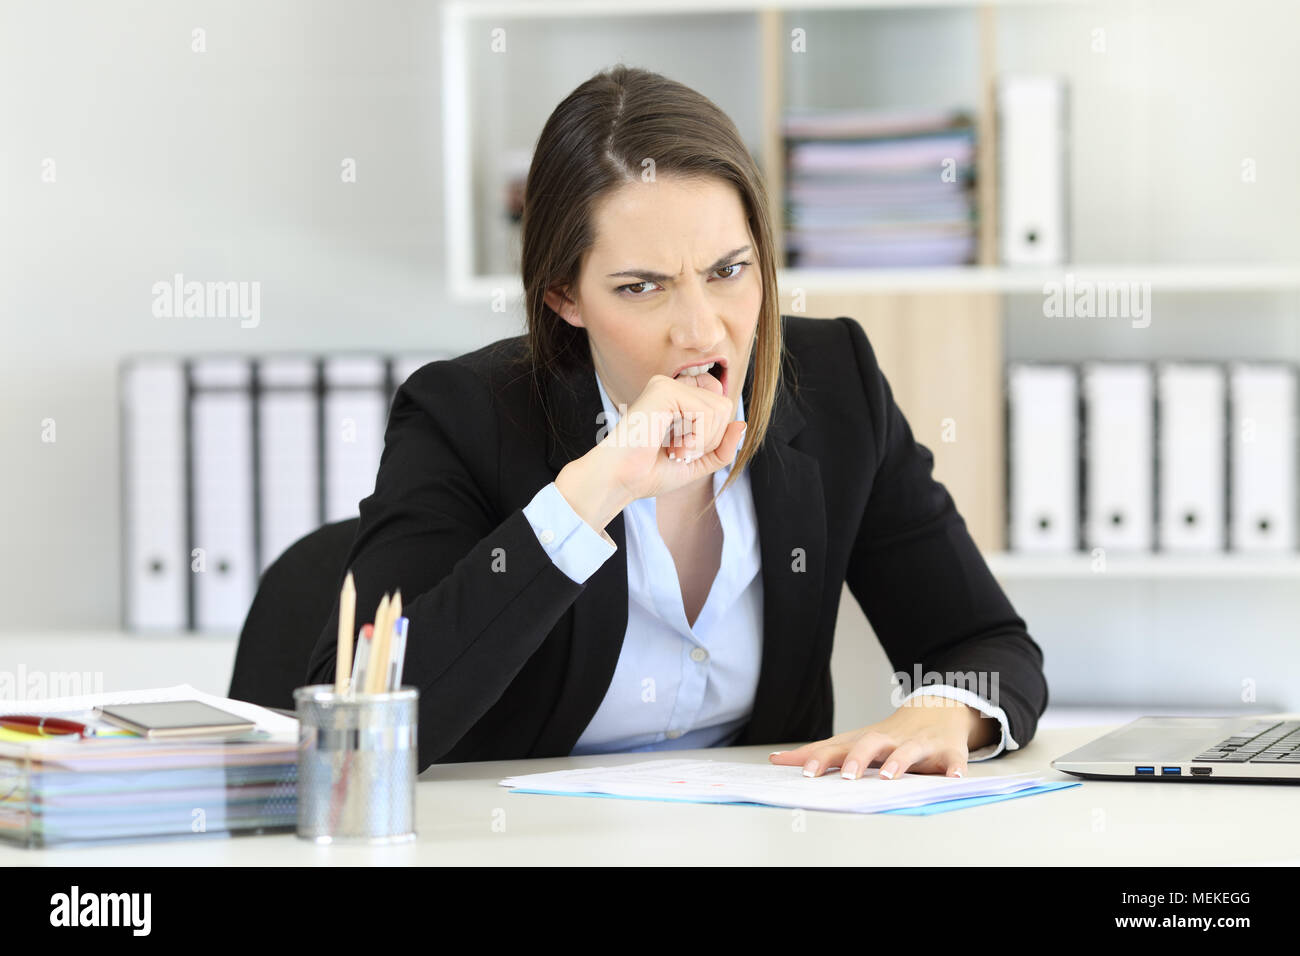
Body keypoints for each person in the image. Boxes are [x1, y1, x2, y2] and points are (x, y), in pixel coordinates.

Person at [305, 64, 1048, 778]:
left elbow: (982, 641)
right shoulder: (463, 414)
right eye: (642, 288)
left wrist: (948, 711)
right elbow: (359, 733)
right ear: (565, 294)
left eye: (729, 271)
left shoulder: (835, 384)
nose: (701, 331)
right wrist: (588, 497)